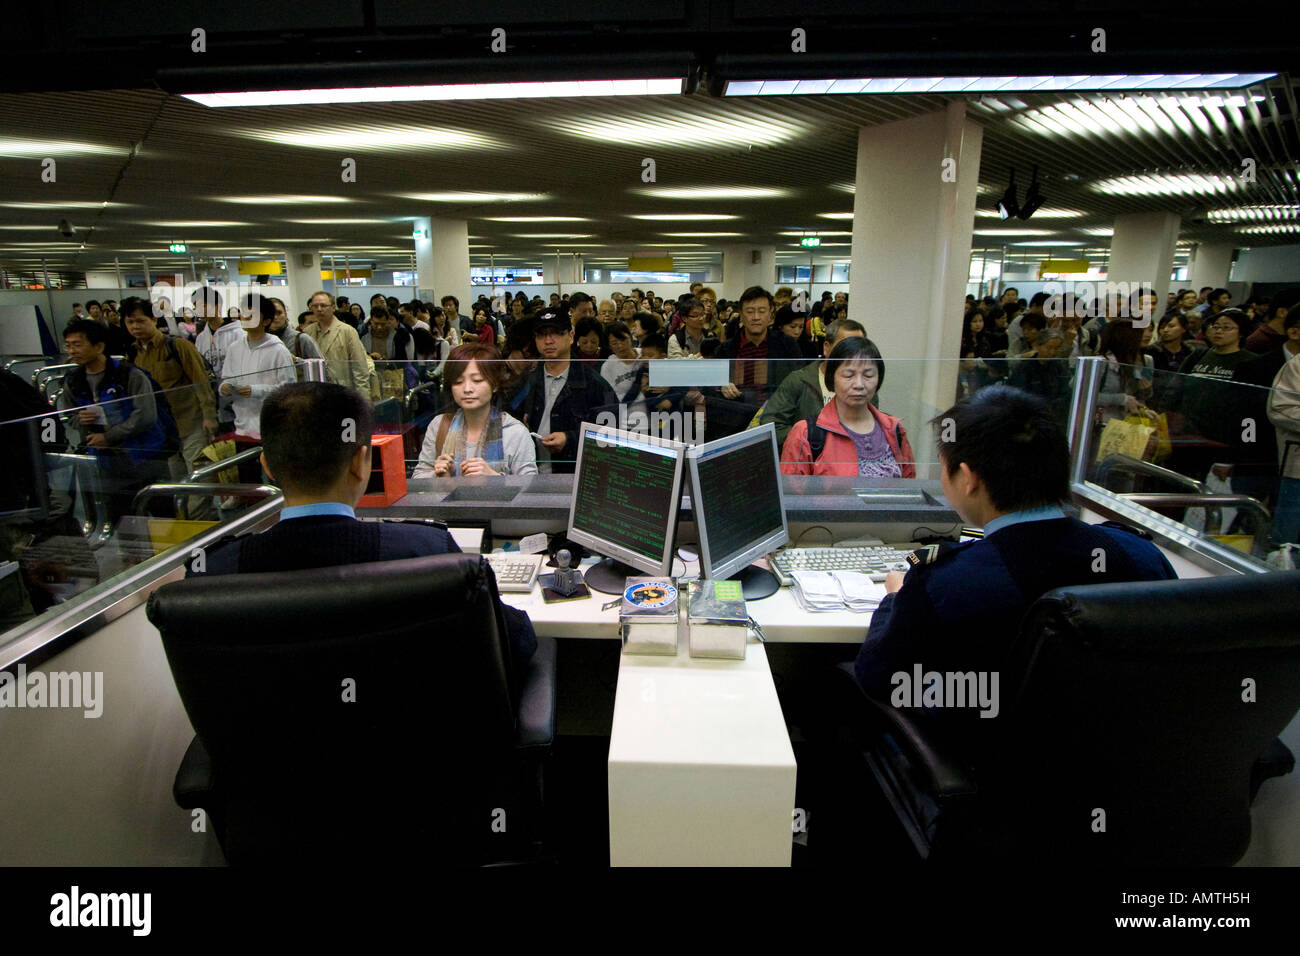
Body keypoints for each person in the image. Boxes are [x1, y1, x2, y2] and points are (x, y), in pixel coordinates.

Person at [851, 386, 1176, 767]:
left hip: (992, 782)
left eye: (943, 464)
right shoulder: (1141, 557)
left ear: (968, 478)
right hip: (1125, 778)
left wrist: (895, 597)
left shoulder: (947, 583)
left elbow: (878, 676)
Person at [190, 381, 536, 672]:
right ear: (361, 462)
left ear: (267, 466)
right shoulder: (425, 552)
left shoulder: (214, 573)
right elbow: (518, 641)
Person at [57, 319, 175, 521]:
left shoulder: (129, 375)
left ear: (99, 346)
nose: (72, 350)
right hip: (106, 462)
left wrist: (109, 437)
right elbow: (68, 415)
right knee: (121, 516)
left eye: (78, 344)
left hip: (144, 456)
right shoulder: (73, 381)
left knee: (162, 513)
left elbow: (145, 415)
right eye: (68, 345)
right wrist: (79, 419)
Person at [121, 297, 219, 518]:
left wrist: (209, 416)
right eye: (130, 322)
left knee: (198, 480)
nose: (135, 327)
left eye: (140, 320)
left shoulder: (177, 346)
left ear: (154, 319)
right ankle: (189, 525)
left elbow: (200, 381)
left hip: (191, 422)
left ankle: (201, 531)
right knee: (177, 482)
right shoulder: (133, 354)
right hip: (163, 429)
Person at [779, 336, 915, 478]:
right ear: (832, 378)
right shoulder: (806, 434)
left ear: (879, 379)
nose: (859, 384)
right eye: (848, 375)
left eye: (868, 375)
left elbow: (908, 486)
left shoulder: (894, 429)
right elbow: (792, 495)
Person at [412, 343, 537, 478]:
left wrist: (495, 478)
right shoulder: (439, 425)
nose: (467, 389)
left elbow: (529, 489)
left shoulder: (515, 432)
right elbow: (419, 477)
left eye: (477, 380)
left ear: (494, 384)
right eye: (458, 382)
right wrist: (439, 476)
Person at [522, 311, 617, 474]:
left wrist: (570, 439)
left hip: (575, 476)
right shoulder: (527, 381)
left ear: (571, 336)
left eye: (556, 334)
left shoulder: (594, 384)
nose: (548, 341)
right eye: (541, 335)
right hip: (531, 474)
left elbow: (614, 432)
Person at [760, 318, 867, 445]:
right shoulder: (799, 381)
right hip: (808, 458)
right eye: (844, 347)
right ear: (826, 348)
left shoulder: (864, 386)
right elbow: (771, 425)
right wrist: (810, 439)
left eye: (858, 349)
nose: (852, 355)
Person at [716, 285, 803, 425]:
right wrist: (722, 385)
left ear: (770, 314)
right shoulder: (726, 349)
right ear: (741, 315)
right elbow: (713, 384)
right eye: (750, 312)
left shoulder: (787, 345)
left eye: (762, 311)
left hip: (777, 418)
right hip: (736, 418)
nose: (756, 317)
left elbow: (799, 383)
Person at [219, 294, 297, 442]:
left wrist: (255, 390)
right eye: (244, 313)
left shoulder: (278, 350)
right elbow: (227, 378)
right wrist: (225, 387)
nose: (245, 317)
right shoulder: (234, 348)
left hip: (271, 427)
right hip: (242, 426)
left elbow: (288, 389)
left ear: (266, 321)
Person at [301, 290, 371, 396]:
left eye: (323, 305)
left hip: (342, 391)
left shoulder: (347, 331)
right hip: (316, 392)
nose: (319, 309)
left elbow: (359, 368)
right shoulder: (307, 333)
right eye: (315, 306)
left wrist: (364, 399)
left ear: (333, 307)